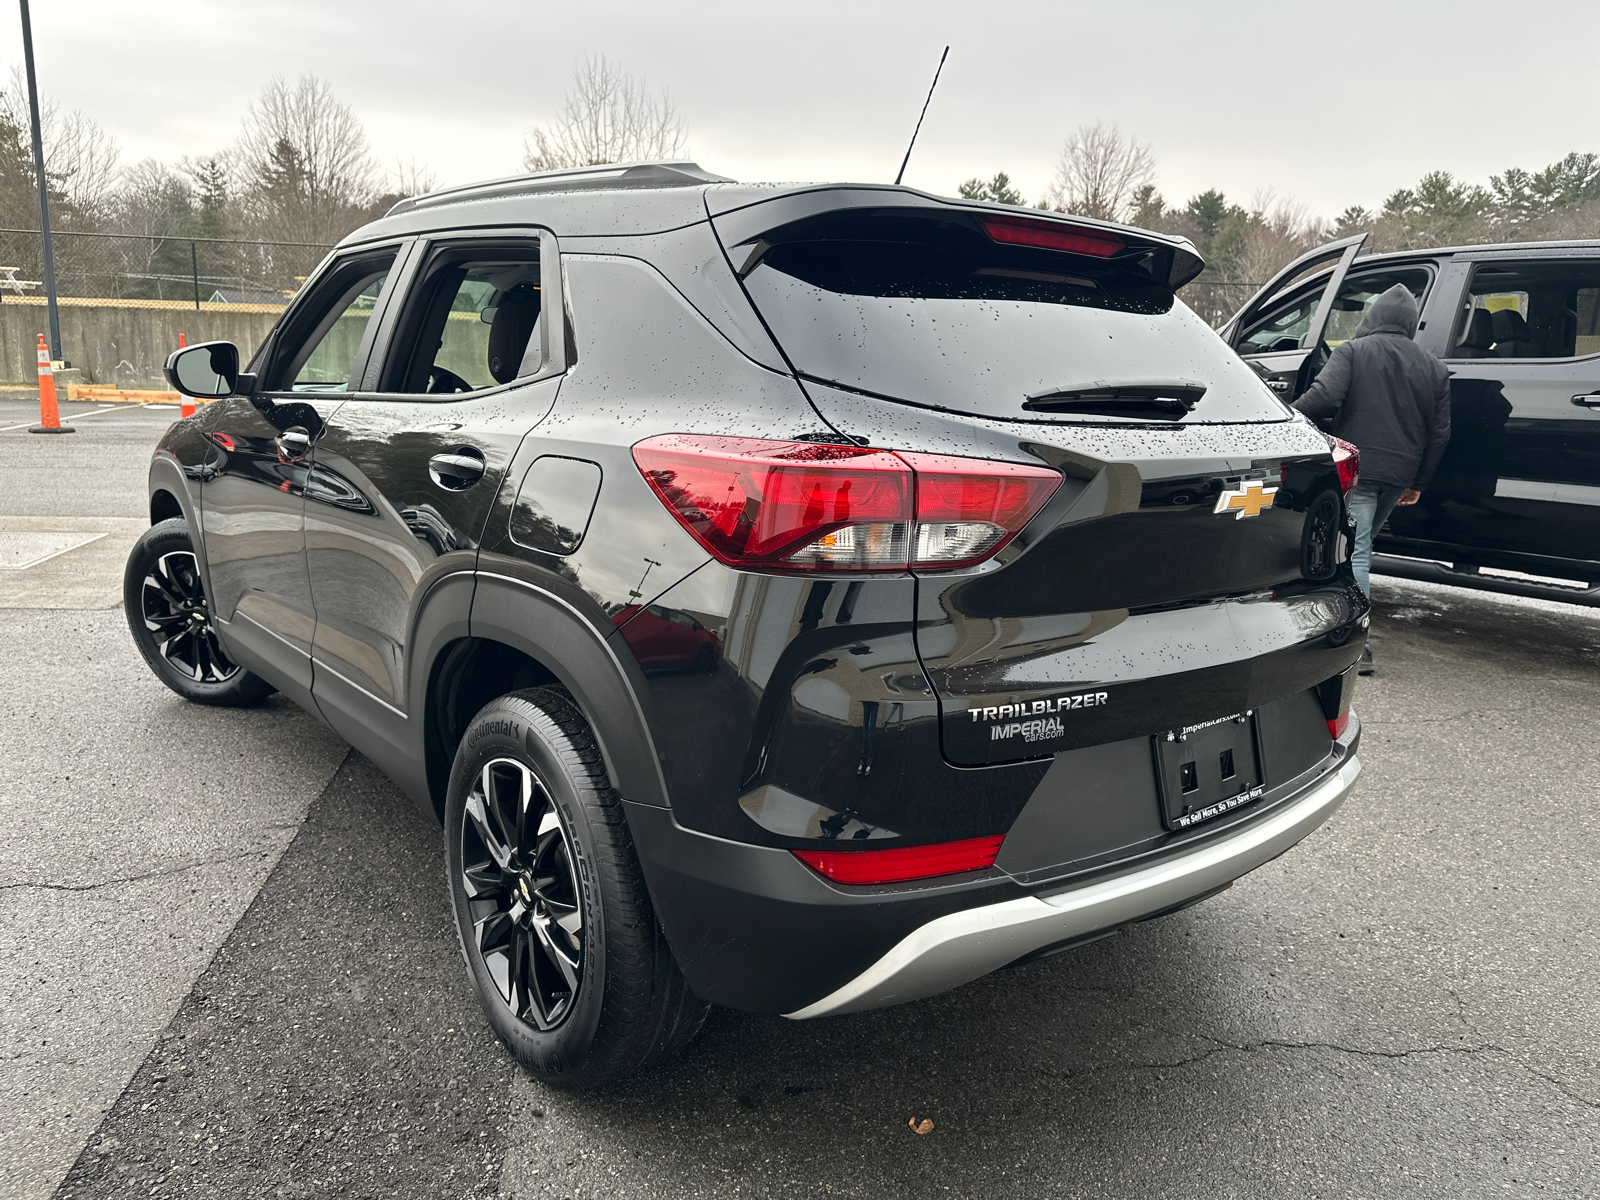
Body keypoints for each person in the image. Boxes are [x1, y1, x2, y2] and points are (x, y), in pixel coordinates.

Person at [1293, 283, 1451, 674]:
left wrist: (1284, 419)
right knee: (1360, 547)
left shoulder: (1353, 351)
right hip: (1399, 475)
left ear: (1373, 317)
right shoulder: (1434, 367)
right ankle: (1337, 626)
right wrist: (1418, 483)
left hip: (1359, 470)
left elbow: (1323, 398)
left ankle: (1356, 645)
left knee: (1354, 551)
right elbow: (1439, 434)